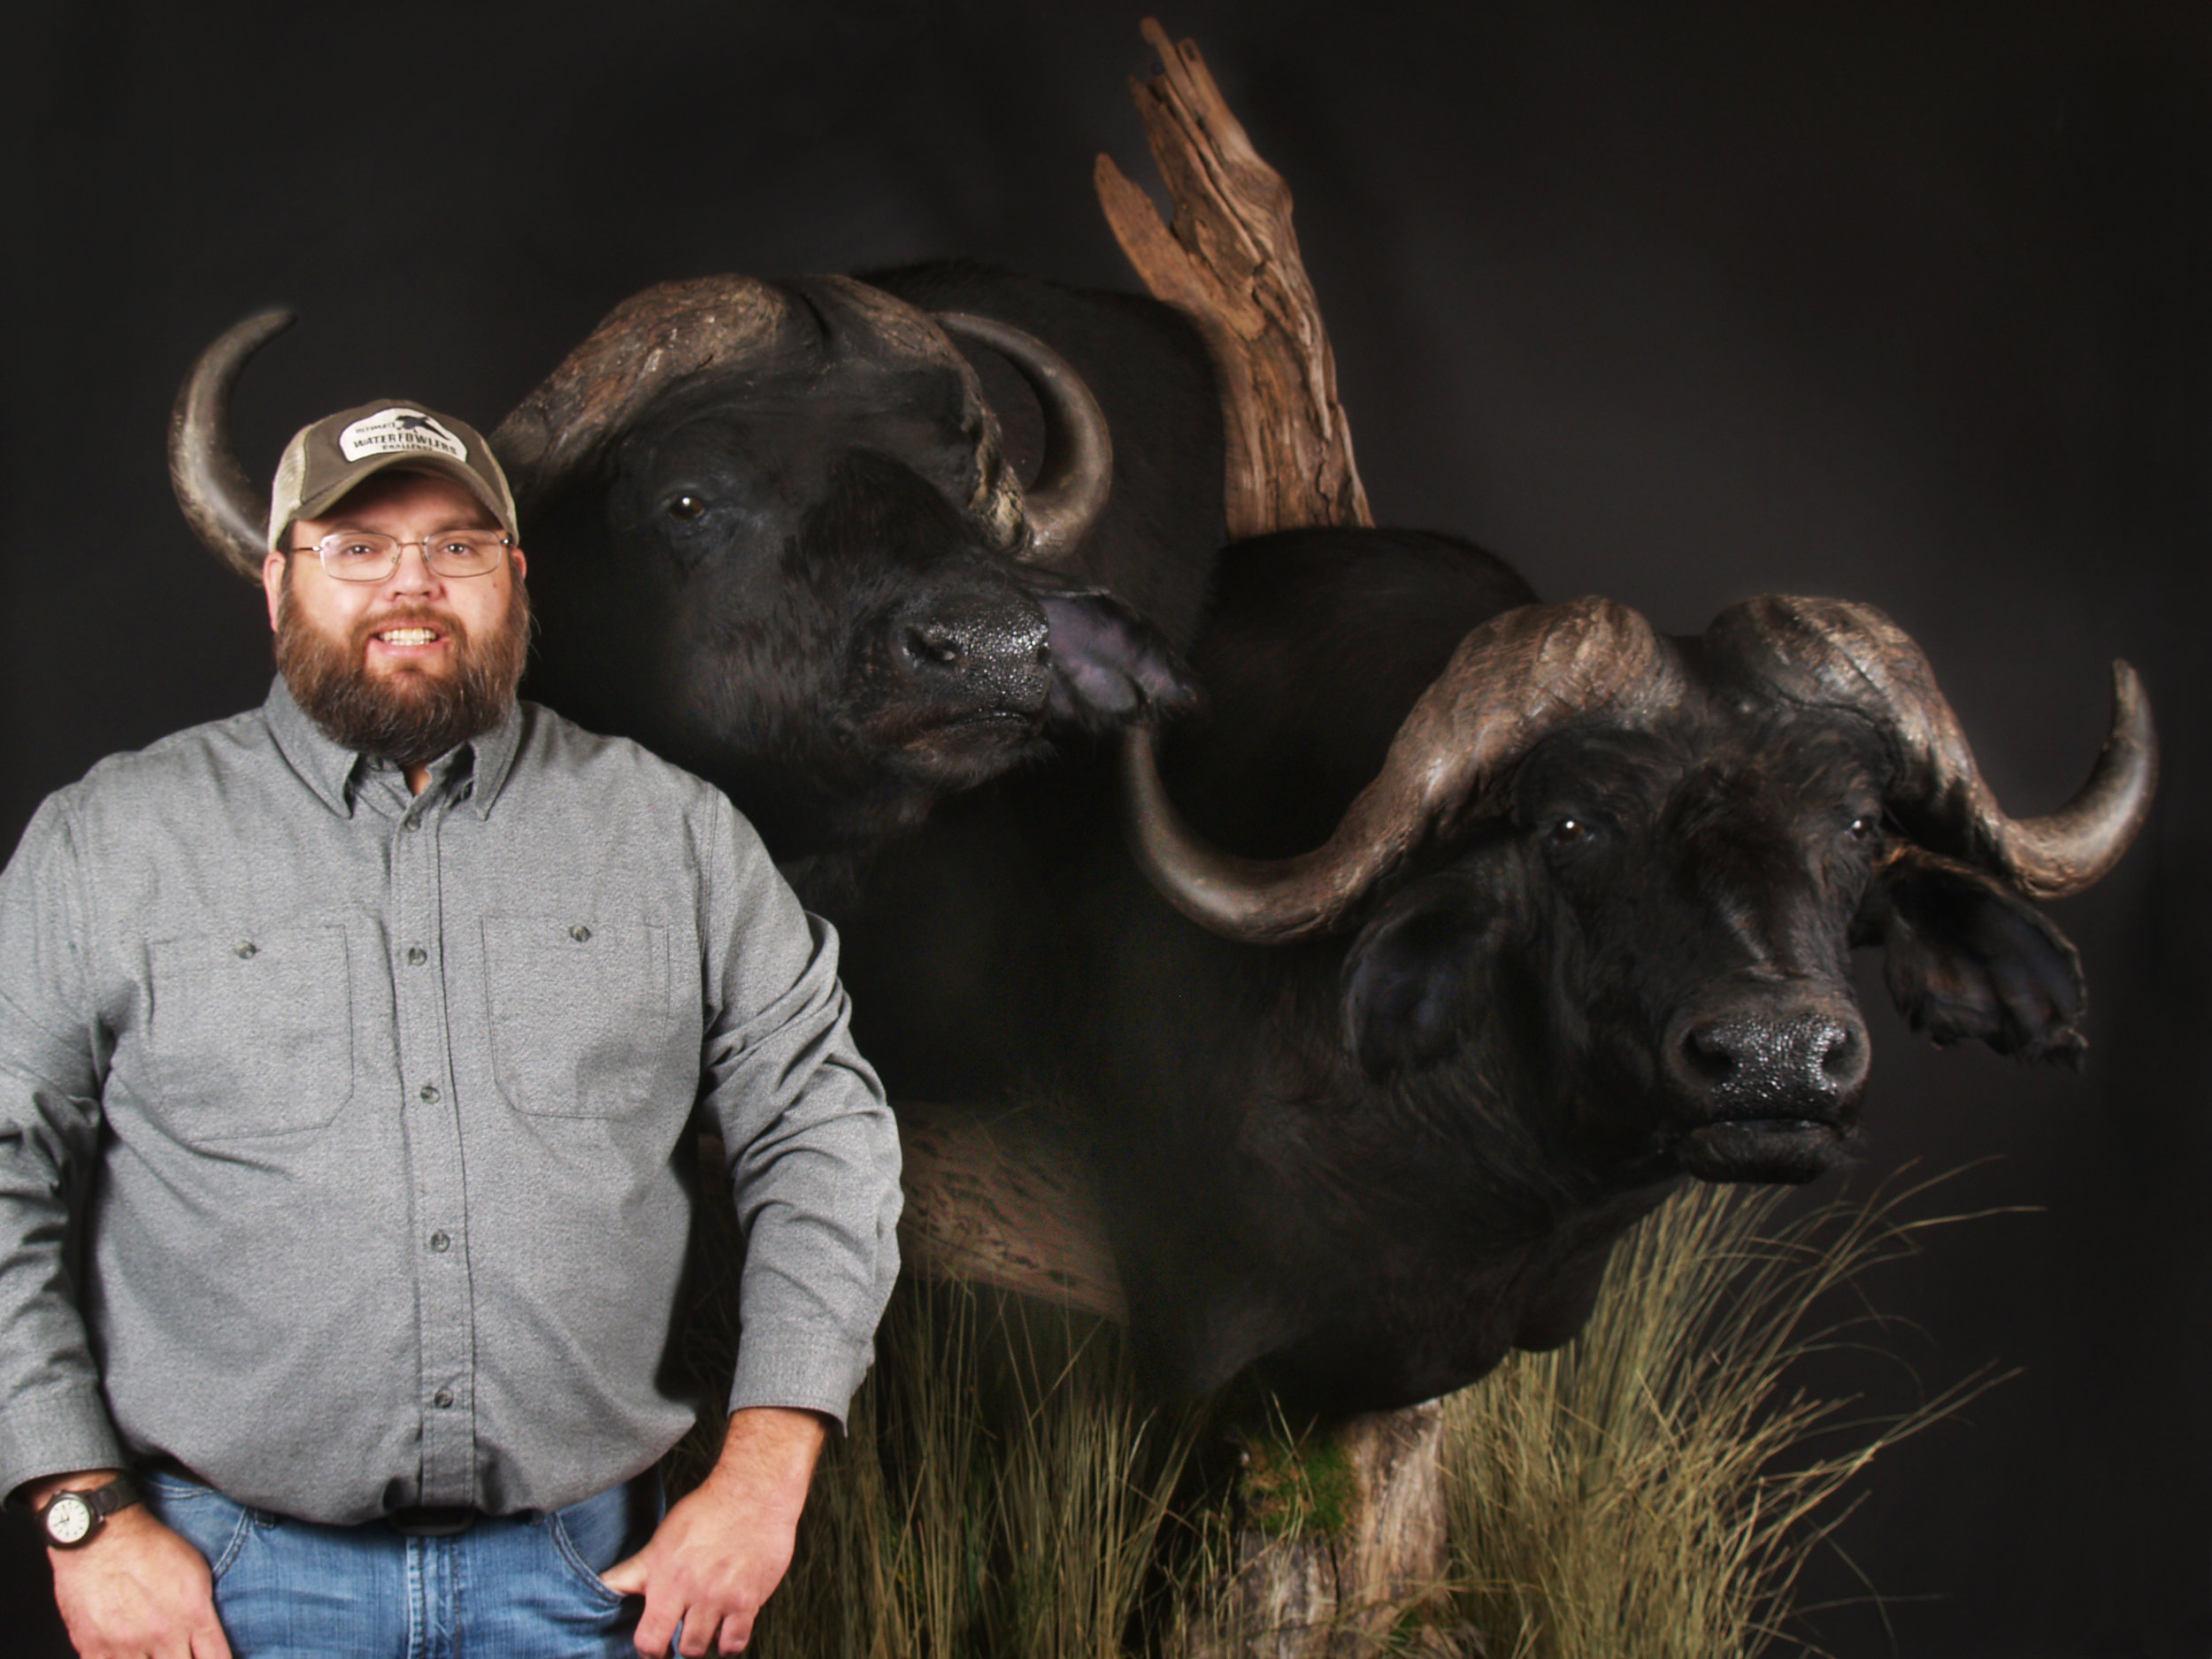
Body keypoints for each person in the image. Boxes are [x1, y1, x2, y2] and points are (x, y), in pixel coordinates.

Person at [0, 400, 902, 1658]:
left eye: (458, 546)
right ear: (278, 584)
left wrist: (767, 1470)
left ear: (514, 579)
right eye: (356, 548)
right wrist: (80, 1514)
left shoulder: (675, 836)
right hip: (224, 1592)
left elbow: (823, 1129)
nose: (410, 585)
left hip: (598, 1586)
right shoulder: (113, 841)